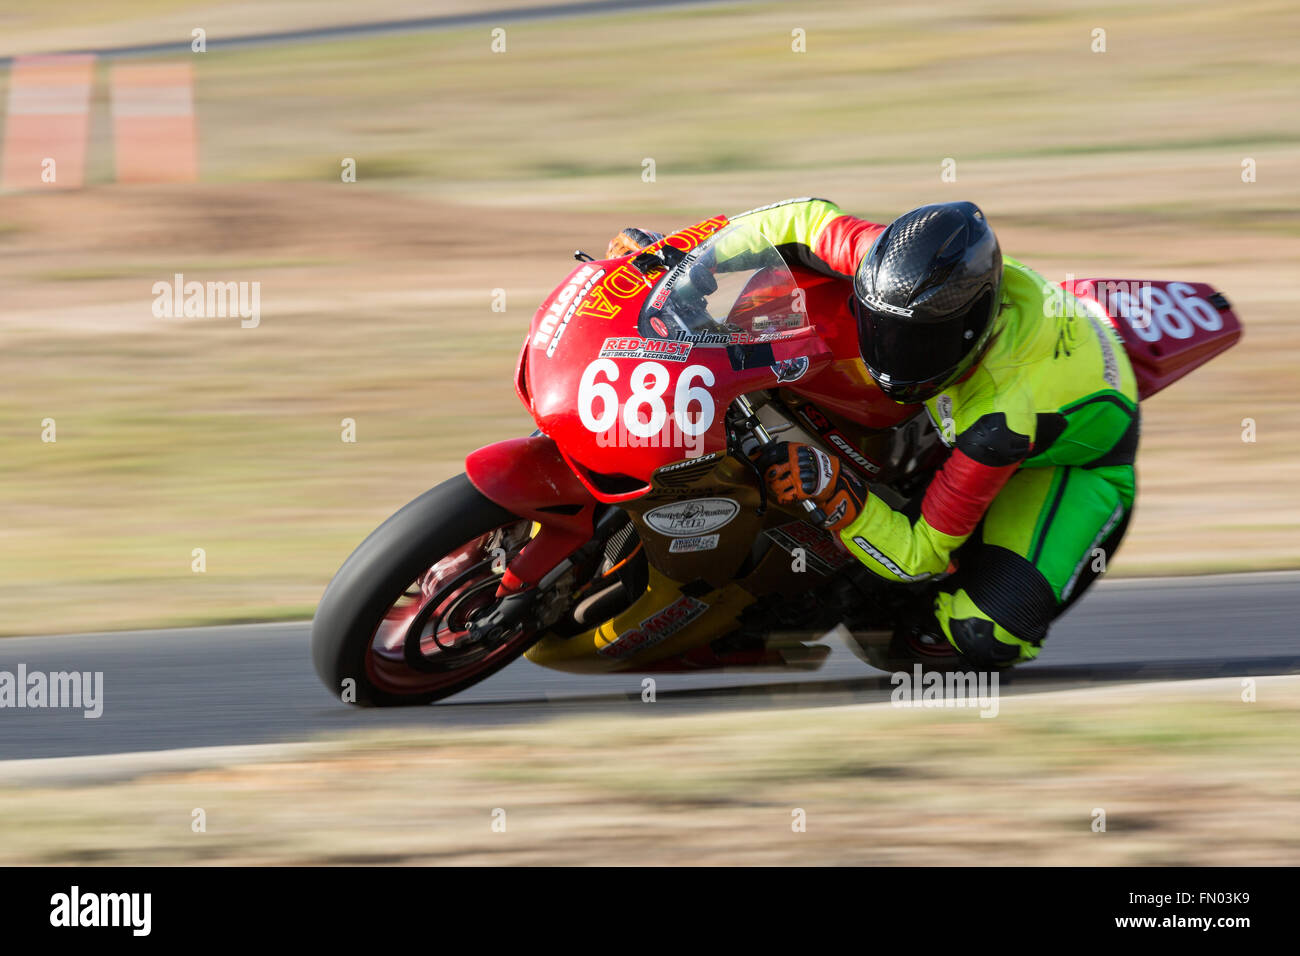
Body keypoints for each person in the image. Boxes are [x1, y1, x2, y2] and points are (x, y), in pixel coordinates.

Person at [608, 199, 1139, 668]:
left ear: (968, 333)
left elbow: (920, 553)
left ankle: (869, 594)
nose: (889, 355)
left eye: (916, 344)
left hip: (1069, 464)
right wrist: (691, 264)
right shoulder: (894, 266)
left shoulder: (1000, 422)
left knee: (978, 635)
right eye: (882, 326)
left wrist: (836, 490)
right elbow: (799, 218)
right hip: (1022, 345)